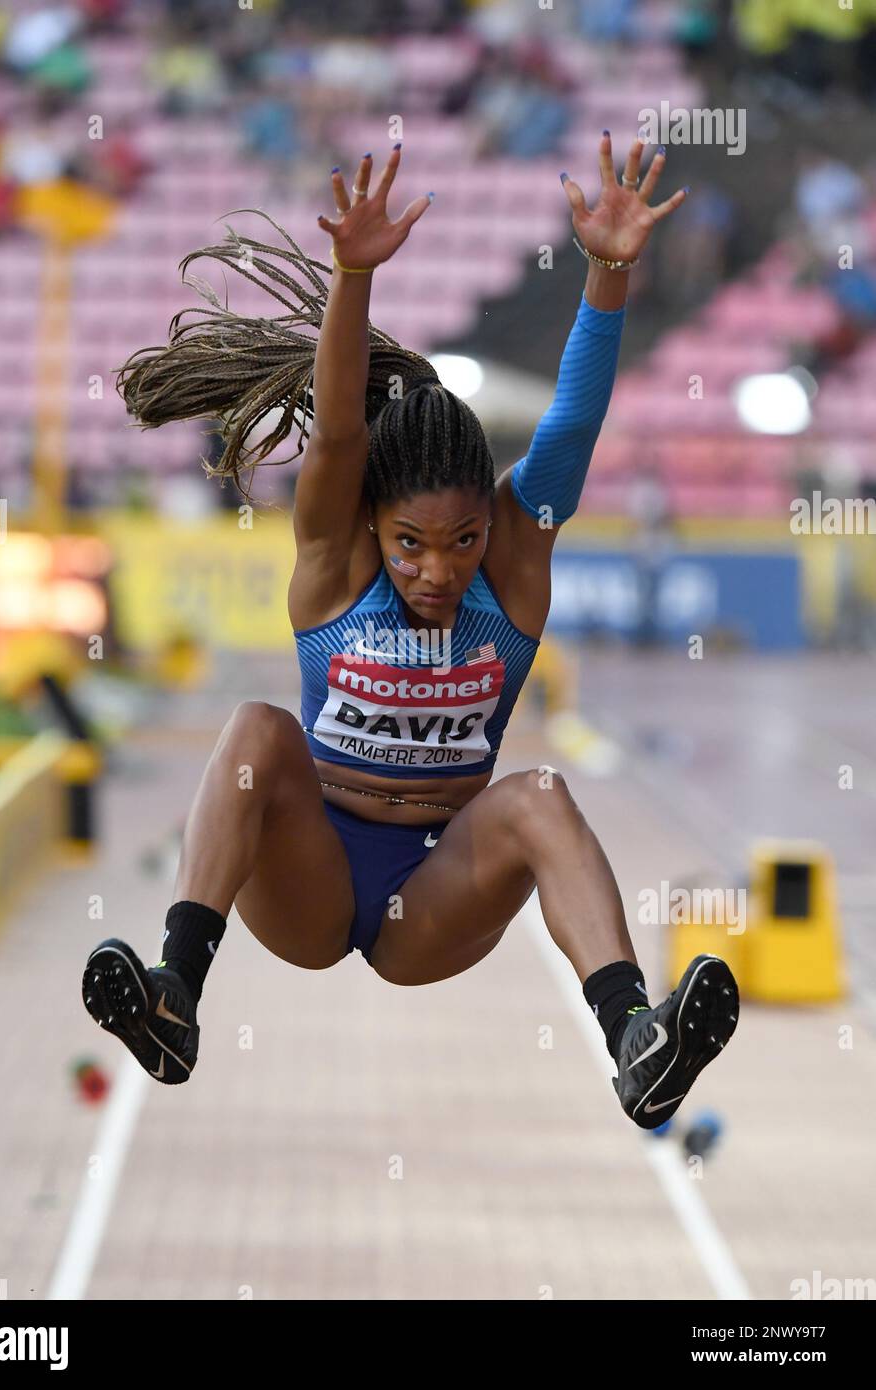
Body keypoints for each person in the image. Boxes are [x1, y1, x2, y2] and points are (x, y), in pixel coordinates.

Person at [83, 134, 739, 1129]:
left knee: (540, 795)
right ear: (369, 527)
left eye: (463, 540)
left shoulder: (513, 566)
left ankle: (634, 1040)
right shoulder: (331, 564)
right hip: (309, 874)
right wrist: (353, 276)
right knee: (257, 729)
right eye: (411, 545)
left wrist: (606, 272)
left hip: (434, 894)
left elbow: (566, 428)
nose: (439, 570)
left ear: (492, 521)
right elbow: (340, 431)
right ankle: (175, 992)